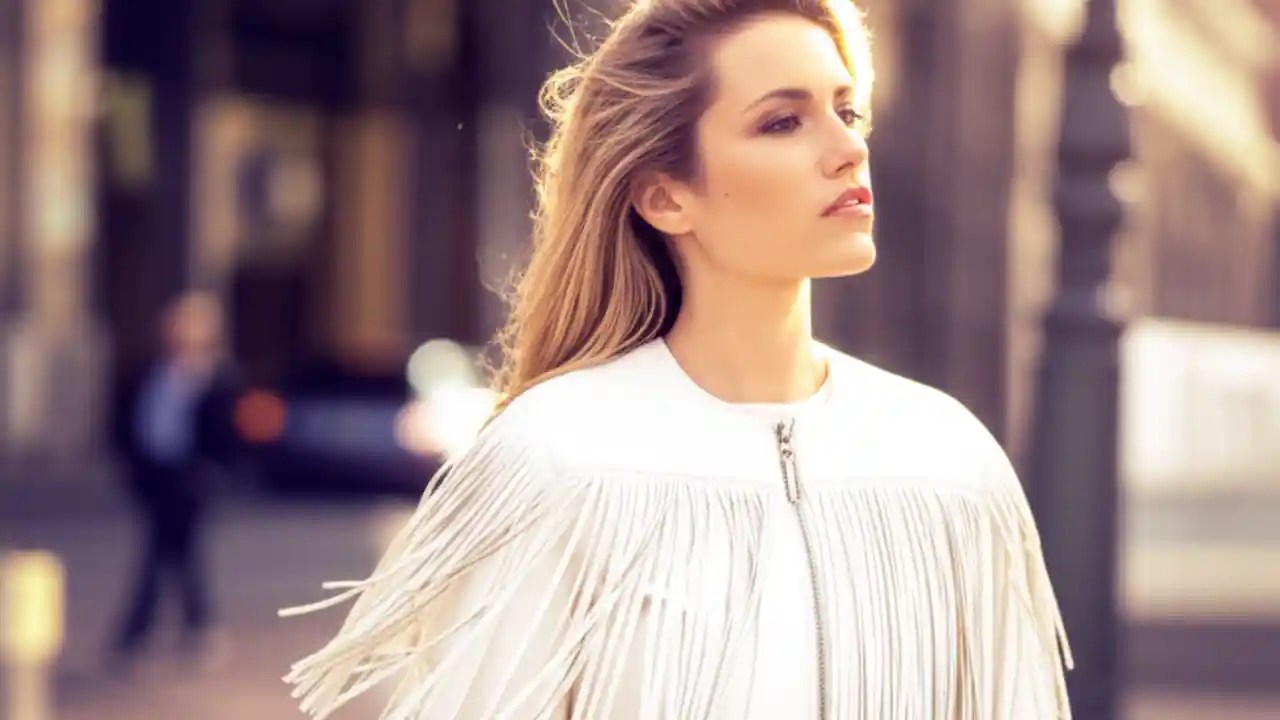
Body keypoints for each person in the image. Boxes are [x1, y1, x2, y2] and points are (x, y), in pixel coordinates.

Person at [280, 1, 1073, 717]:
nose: (847, 150)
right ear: (665, 196)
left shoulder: (946, 457)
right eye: (781, 122)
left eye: (846, 109)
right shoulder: (557, 460)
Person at [107, 291, 244, 670]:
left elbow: (227, 432)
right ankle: (196, 628)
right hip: (155, 476)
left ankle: (140, 634)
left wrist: (213, 471)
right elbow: (127, 422)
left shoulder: (216, 377)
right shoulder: (147, 372)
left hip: (192, 478)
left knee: (163, 554)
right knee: (177, 554)